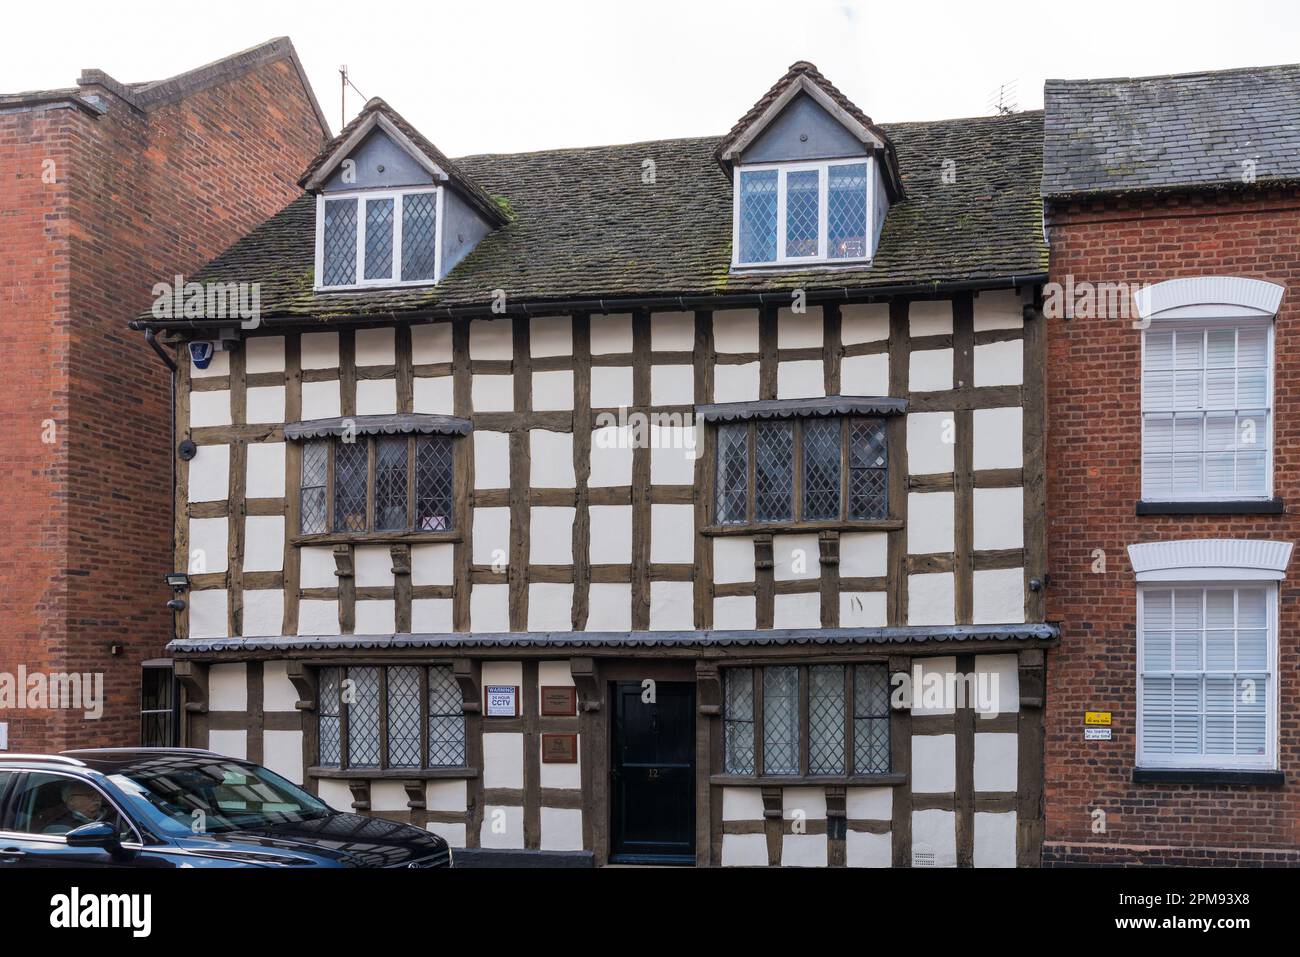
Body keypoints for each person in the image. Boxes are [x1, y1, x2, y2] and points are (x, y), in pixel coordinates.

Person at [34, 781, 117, 835]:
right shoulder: (60, 827)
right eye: (90, 795)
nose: (97, 798)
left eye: (98, 794)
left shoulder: (118, 814)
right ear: (71, 800)